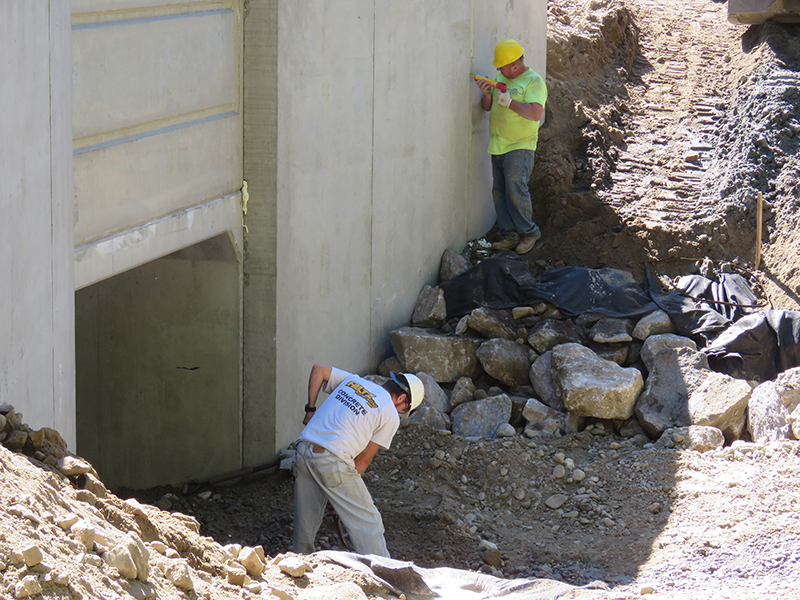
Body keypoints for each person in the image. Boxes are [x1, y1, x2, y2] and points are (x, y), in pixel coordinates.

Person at [293, 364, 424, 557]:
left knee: (306, 520)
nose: (399, 415)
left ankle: (297, 564)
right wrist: (341, 496)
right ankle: (384, 575)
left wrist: (310, 409)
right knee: (369, 523)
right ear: (402, 398)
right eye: (403, 410)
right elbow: (362, 461)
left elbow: (318, 370)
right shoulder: (389, 414)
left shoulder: (355, 381)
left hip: (303, 450)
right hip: (332, 460)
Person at [475, 39, 548, 255]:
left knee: (515, 187)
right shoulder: (501, 77)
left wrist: (511, 103)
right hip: (498, 144)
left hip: (520, 145)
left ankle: (529, 232)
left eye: (502, 66)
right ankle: (510, 234)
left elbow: (535, 114)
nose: (497, 69)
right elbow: (486, 107)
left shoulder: (534, 82)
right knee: (500, 191)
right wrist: (488, 95)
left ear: (515, 66)